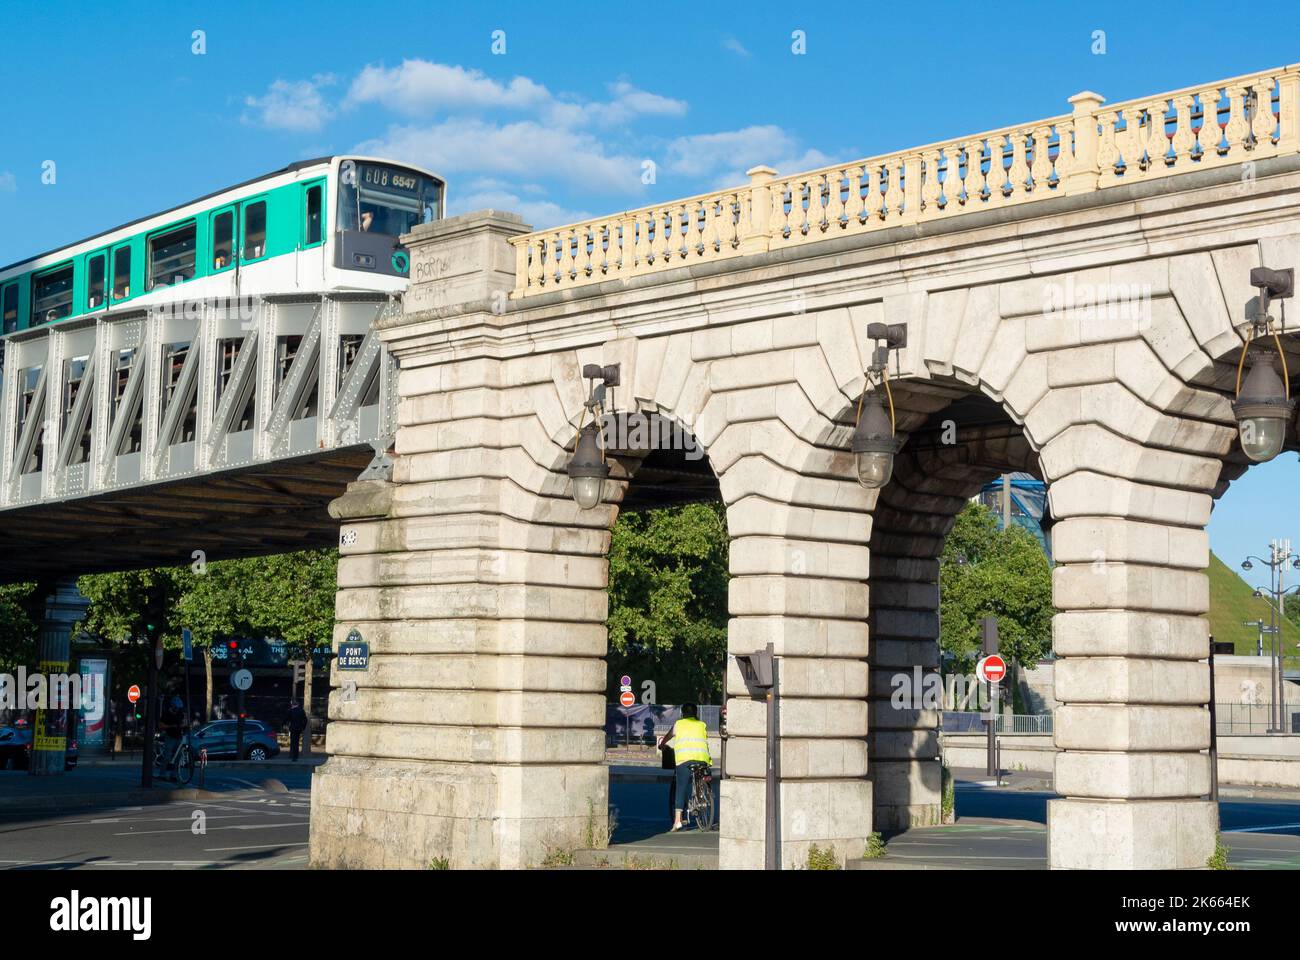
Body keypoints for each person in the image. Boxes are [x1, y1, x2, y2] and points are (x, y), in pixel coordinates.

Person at [656, 702, 711, 831]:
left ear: (683, 713)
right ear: (696, 713)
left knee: (680, 787)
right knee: (701, 776)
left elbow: (667, 737)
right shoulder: (702, 725)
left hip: (684, 759)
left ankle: (678, 821)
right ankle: (701, 796)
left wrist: (661, 745)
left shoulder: (678, 724)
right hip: (702, 759)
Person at [160, 695, 185, 780]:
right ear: (173, 706)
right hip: (170, 736)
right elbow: (161, 725)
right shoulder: (166, 714)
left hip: (178, 736)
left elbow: (183, 722)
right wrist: (171, 726)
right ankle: (162, 774)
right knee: (167, 756)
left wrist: (183, 725)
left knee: (177, 757)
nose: (177, 709)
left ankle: (173, 775)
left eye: (179, 708)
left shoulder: (180, 714)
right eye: (176, 707)